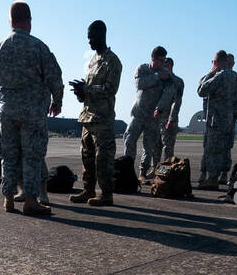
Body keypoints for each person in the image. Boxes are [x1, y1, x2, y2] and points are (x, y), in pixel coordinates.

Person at [0, 1, 63, 216]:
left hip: (6, 111)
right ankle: (31, 199)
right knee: (32, 156)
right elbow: (55, 77)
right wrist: (57, 101)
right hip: (32, 112)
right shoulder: (38, 46)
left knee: (8, 156)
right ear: (29, 20)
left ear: (10, 21)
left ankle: (8, 199)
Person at [70, 20, 122, 206]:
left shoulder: (113, 61)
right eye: (88, 38)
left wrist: (88, 89)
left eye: (92, 37)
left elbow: (110, 90)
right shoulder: (92, 61)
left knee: (103, 159)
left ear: (102, 35)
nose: (89, 41)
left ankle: (106, 194)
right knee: (87, 157)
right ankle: (88, 190)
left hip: (103, 119)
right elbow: (90, 91)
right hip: (87, 117)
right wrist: (80, 92)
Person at [123, 46, 169, 180]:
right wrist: (156, 76)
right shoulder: (142, 69)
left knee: (148, 147)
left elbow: (171, 89)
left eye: (164, 60)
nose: (162, 63)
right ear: (153, 58)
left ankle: (142, 173)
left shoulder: (165, 73)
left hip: (153, 117)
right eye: (160, 60)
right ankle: (128, 171)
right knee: (129, 140)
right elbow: (139, 84)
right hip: (138, 113)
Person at [195, 51, 237, 190]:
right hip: (228, 120)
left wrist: (210, 73)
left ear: (216, 62)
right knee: (223, 149)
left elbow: (201, 90)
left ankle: (213, 179)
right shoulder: (236, 77)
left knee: (213, 150)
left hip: (216, 120)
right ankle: (215, 177)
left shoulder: (220, 76)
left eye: (213, 62)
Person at [220, 52, 237, 186]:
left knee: (226, 148)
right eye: (227, 62)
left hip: (229, 119)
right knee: (210, 148)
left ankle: (224, 174)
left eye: (231, 63)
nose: (229, 65)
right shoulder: (216, 77)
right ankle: (209, 174)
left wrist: (234, 115)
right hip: (215, 119)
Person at [157, 57, 185, 161]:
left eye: (167, 66)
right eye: (163, 66)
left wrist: (171, 119)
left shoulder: (177, 82)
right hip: (157, 119)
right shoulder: (159, 81)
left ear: (171, 67)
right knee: (155, 148)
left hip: (169, 119)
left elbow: (177, 102)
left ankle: (166, 171)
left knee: (167, 149)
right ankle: (154, 169)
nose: (165, 68)